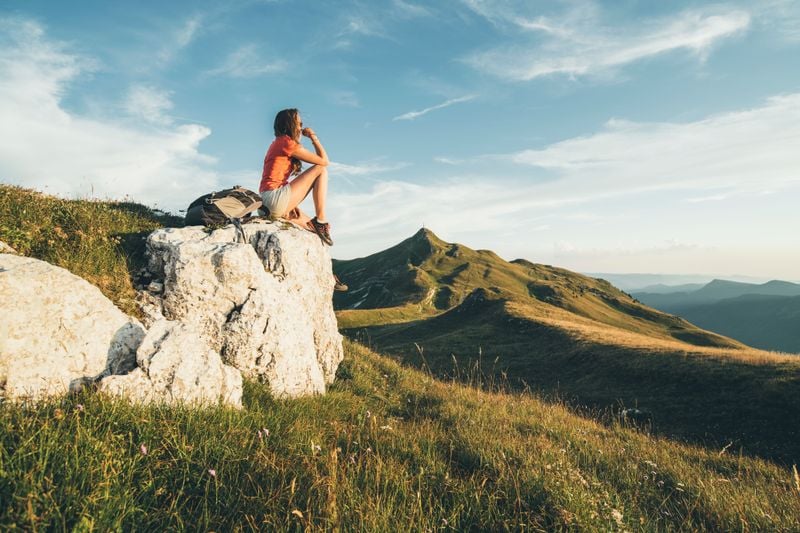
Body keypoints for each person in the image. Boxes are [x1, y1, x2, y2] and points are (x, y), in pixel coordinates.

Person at [259, 108, 332, 246]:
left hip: (266, 204)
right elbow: (324, 161)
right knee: (321, 170)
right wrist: (313, 137)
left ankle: (316, 224)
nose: (301, 128)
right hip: (273, 199)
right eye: (299, 124)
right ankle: (321, 220)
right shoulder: (286, 143)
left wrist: (290, 204)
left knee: (311, 228)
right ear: (290, 124)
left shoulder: (279, 142)